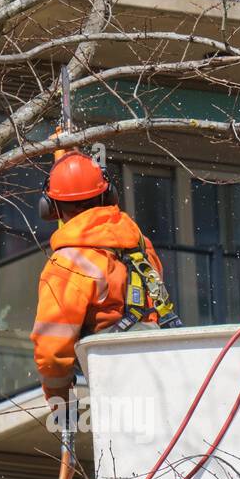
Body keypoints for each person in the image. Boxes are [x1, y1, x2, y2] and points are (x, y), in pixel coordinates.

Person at [31, 151, 180, 405]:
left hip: (114, 380)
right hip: (164, 373)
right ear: (108, 195)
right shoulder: (142, 247)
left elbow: (52, 352)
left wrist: (61, 402)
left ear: (51, 208)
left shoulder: (67, 264)